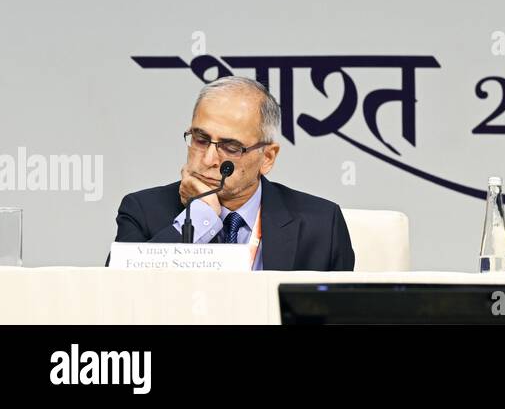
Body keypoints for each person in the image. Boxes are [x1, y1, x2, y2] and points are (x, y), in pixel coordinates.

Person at [111, 75, 354, 270]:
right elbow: (118, 298)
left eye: (231, 147)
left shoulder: (321, 224)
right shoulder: (142, 211)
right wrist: (199, 218)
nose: (208, 159)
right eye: (201, 139)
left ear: (267, 158)